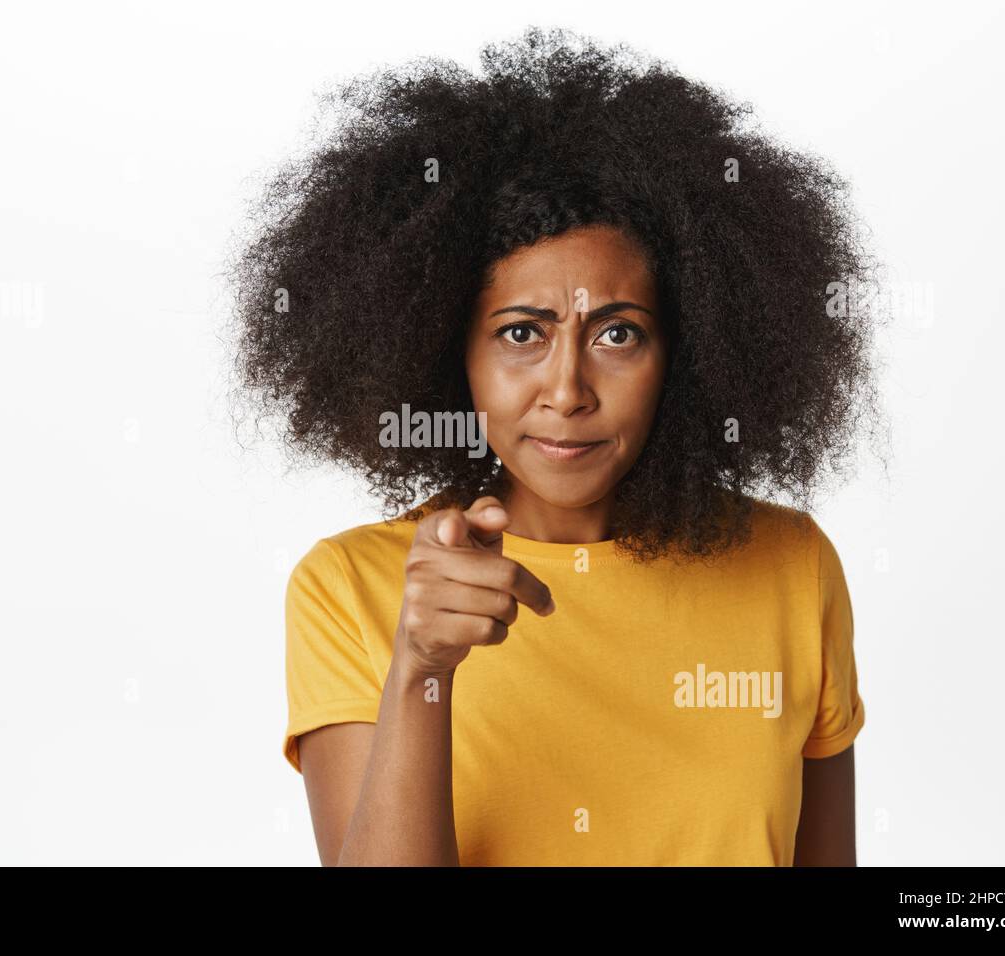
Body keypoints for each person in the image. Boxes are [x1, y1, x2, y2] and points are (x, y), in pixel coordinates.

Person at [228, 27, 883, 866]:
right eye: (520, 333)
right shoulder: (354, 590)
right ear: (444, 350)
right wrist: (423, 667)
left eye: (618, 333)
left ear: (686, 353)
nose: (568, 389)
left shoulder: (791, 566)